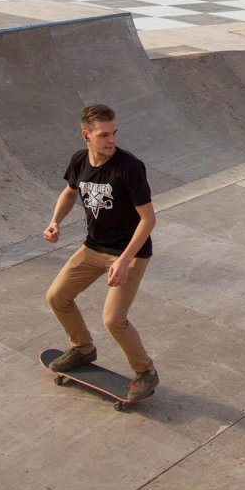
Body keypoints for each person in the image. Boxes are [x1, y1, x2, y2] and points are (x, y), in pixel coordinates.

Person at [43, 104, 159, 403]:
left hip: (130, 254)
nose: (111, 140)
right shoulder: (79, 160)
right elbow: (71, 191)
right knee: (57, 297)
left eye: (114, 133)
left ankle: (145, 371)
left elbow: (148, 219)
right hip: (93, 247)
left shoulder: (129, 167)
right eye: (103, 135)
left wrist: (123, 261)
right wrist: (55, 221)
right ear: (87, 135)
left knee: (113, 320)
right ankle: (82, 349)